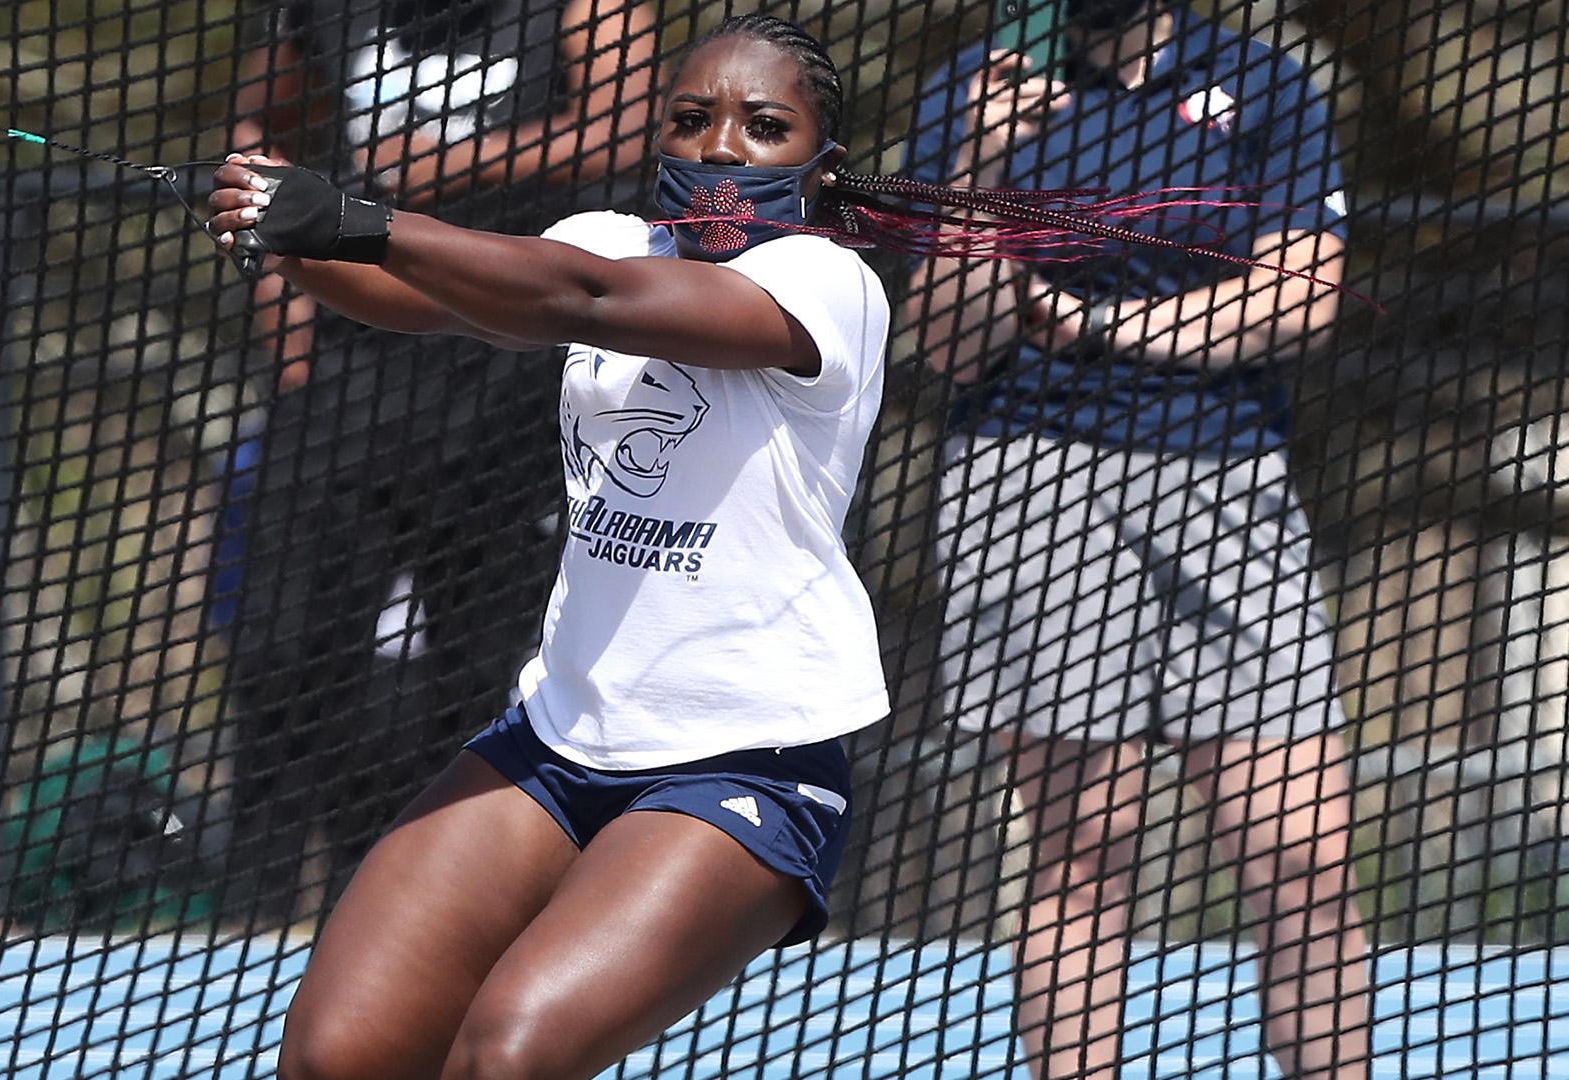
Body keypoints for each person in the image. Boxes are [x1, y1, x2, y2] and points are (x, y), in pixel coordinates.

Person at [207, 15, 893, 1080]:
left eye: (762, 127)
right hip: (557, 740)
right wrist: (287, 231)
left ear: (821, 163)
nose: (718, 147)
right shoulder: (608, 235)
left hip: (742, 762)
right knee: (339, 1052)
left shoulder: (826, 283)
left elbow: (583, 301)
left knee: (511, 1055)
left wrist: (361, 218)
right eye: (691, 119)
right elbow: (416, 300)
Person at [902, 3, 1371, 1080]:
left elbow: (1303, 295)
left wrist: (1105, 327)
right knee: (1086, 852)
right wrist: (979, 168)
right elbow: (955, 347)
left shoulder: (1260, 80)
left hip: (1228, 478)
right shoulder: (978, 88)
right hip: (1033, 482)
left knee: (1305, 856)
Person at [215, 0, 658, 918]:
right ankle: (249, 921)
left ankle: (443, 908)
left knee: (477, 675)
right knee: (283, 650)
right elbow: (257, 131)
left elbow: (627, 123)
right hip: (349, 381)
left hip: (514, 386)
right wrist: (288, 316)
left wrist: (454, 165)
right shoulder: (325, 16)